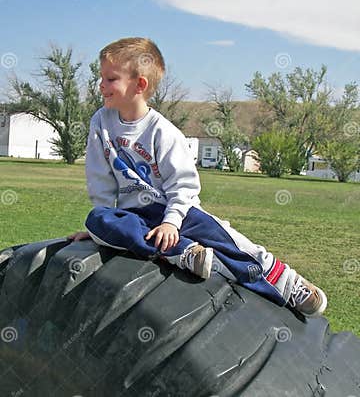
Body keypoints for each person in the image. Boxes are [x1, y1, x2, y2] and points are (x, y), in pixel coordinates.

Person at [68, 37, 327, 318]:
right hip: (136, 216)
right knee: (97, 219)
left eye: (110, 79)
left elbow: (183, 184)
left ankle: (287, 284)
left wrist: (171, 222)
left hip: (178, 211)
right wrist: (101, 230)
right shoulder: (100, 122)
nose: (101, 86)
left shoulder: (162, 132)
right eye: (101, 78)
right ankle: (186, 253)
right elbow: (99, 177)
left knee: (231, 244)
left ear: (139, 85)